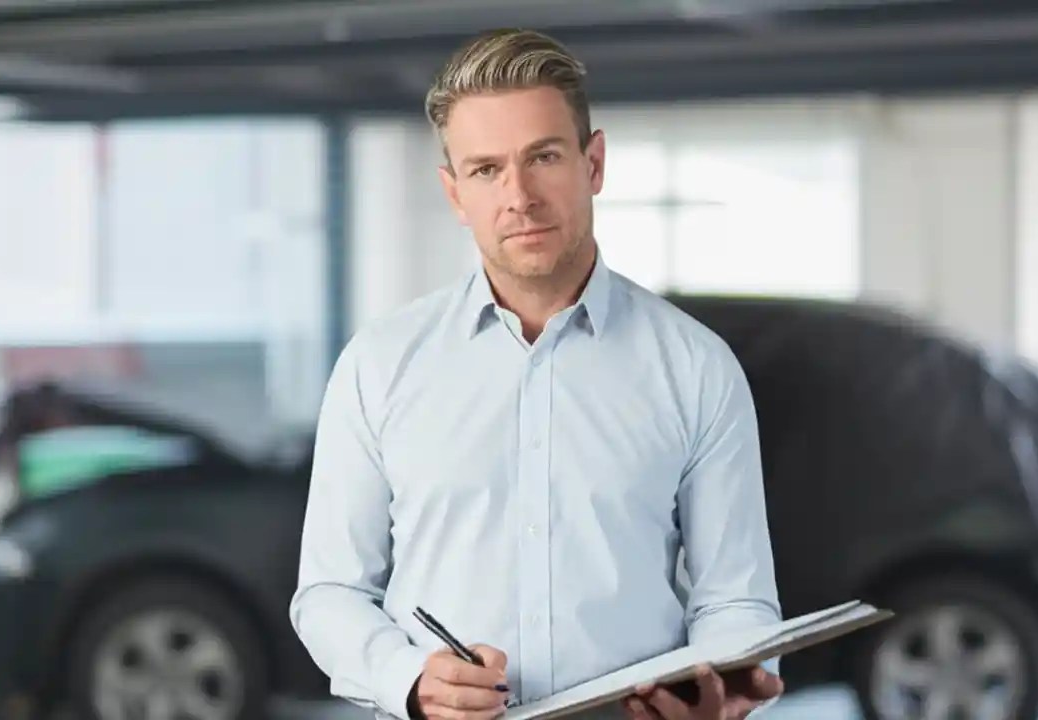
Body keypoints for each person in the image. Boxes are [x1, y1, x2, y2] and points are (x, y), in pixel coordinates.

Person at [289, 27, 785, 720]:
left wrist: (724, 682)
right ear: (454, 192)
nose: (518, 195)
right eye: (485, 170)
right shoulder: (378, 366)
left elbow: (736, 596)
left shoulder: (696, 367)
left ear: (594, 163)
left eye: (543, 157)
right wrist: (409, 679)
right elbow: (330, 594)